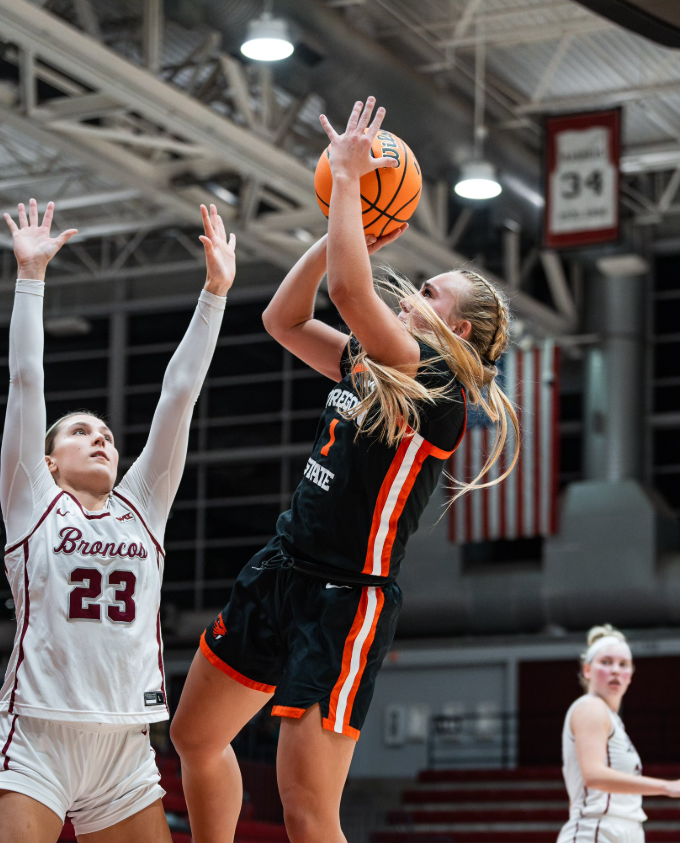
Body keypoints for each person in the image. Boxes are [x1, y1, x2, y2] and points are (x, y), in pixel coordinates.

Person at [170, 96, 519, 843]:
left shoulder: (436, 388)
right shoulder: (378, 361)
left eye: (431, 292)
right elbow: (283, 320)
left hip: (344, 600)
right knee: (195, 738)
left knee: (306, 808)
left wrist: (354, 199)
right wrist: (342, 216)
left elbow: (350, 293)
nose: (414, 289)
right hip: (281, 565)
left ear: (453, 329)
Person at [0, 199, 235, 843]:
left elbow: (178, 393)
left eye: (106, 432)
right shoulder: (32, 500)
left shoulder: (143, 507)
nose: (101, 438)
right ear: (49, 460)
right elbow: (26, 382)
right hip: (38, 737)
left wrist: (215, 292)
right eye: (81, 432)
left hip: (125, 745)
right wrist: (31, 278)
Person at [557, 624, 680, 843]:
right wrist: (667, 786)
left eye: (623, 664)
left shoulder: (613, 720)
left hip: (622, 831)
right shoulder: (590, 707)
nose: (615, 670)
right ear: (587, 670)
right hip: (597, 831)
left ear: (630, 675)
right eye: (606, 662)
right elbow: (593, 776)